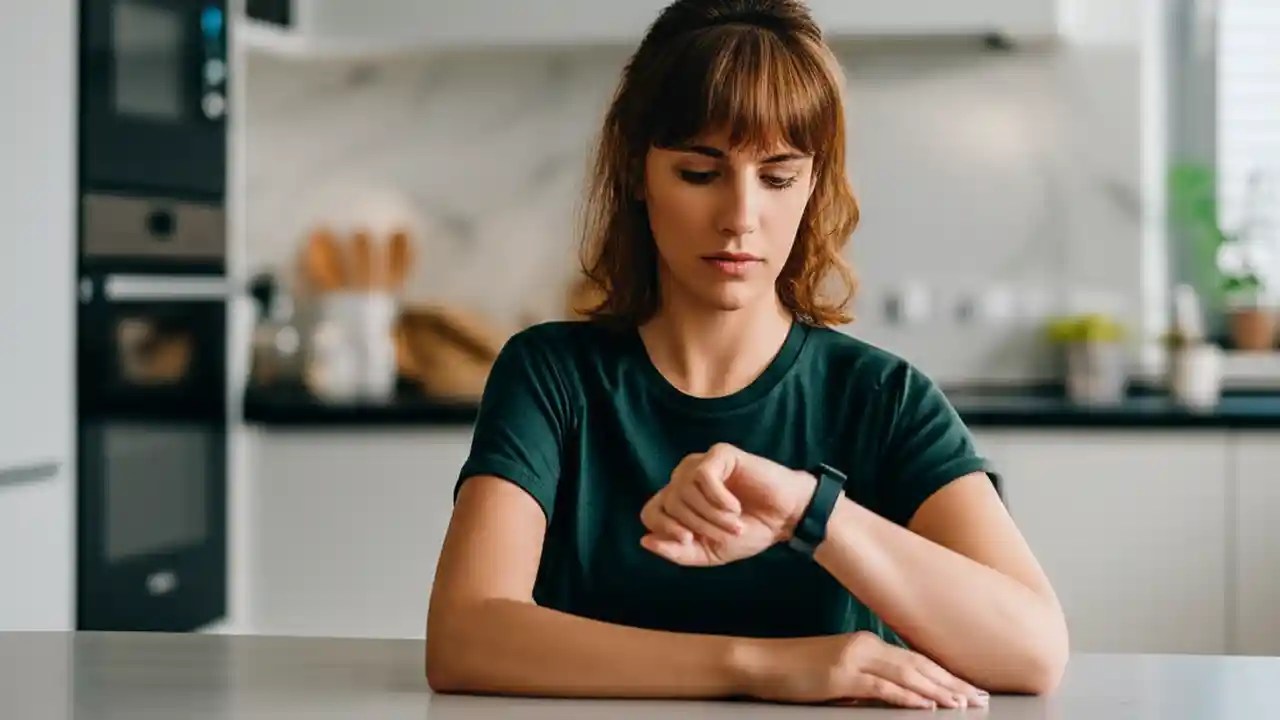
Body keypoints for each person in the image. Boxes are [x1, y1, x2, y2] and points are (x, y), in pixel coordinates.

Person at [426, 0, 1068, 709]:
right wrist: (759, 666)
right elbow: (464, 636)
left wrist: (808, 510)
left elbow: (1033, 650)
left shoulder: (882, 397)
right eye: (699, 174)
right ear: (638, 173)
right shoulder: (551, 377)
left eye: (778, 176)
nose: (739, 217)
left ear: (814, 183)